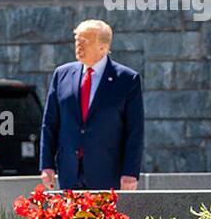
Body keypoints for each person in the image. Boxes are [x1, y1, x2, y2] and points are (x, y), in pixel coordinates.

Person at [39, 19, 144, 191]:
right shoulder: (62, 75)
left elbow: (134, 131)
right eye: (77, 40)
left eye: (84, 42)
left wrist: (130, 173)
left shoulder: (126, 80)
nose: (78, 46)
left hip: (107, 174)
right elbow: (50, 124)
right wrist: (47, 165)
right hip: (69, 173)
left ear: (103, 47)